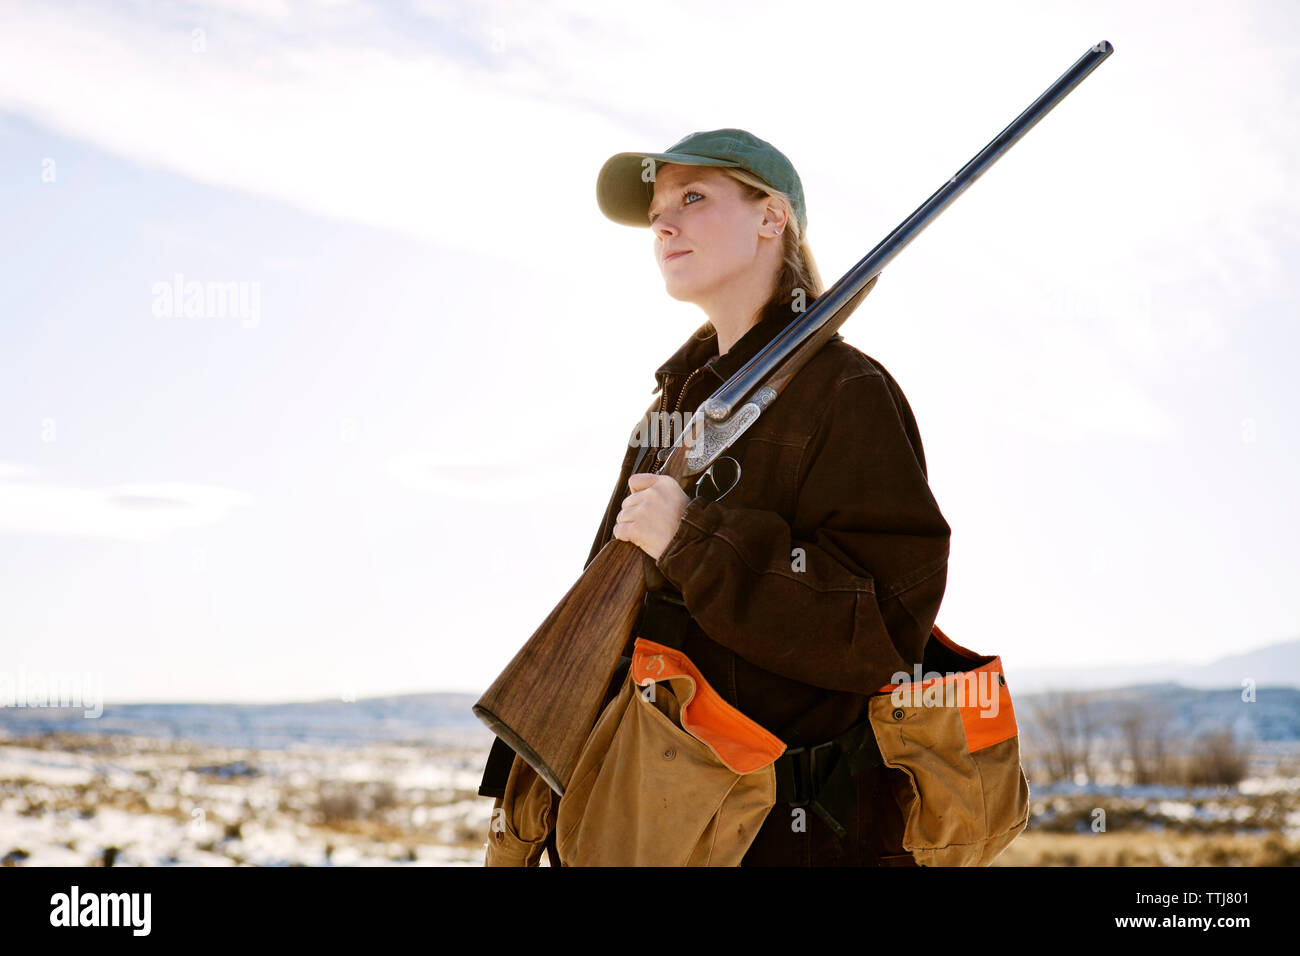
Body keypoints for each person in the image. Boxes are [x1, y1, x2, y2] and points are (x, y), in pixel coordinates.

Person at [478, 128, 951, 867]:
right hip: (640, 825)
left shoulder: (848, 392)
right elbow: (599, 628)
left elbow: (883, 634)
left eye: (693, 198)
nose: (663, 224)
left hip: (791, 840)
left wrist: (693, 539)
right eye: (659, 209)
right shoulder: (672, 408)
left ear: (772, 219)